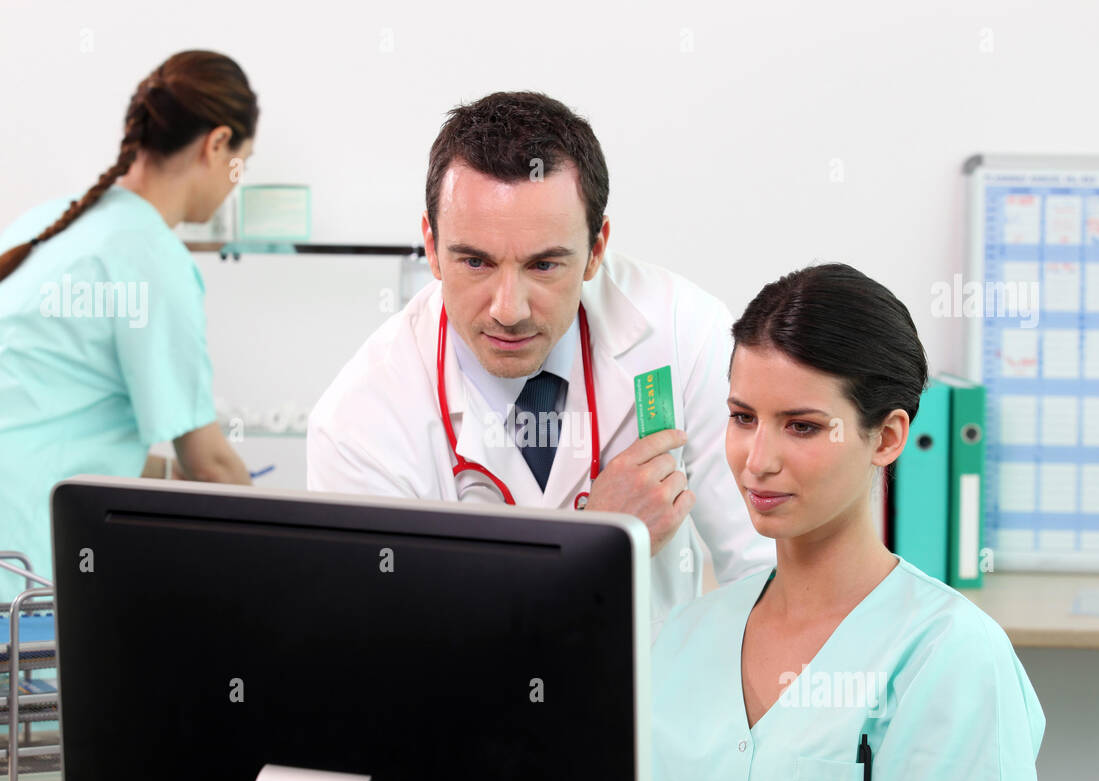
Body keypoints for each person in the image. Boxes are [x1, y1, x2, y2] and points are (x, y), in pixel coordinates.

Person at [307, 91, 773, 634]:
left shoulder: (681, 331)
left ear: (597, 248)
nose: (509, 310)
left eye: (545, 264)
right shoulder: (359, 421)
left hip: (659, 708)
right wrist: (596, 542)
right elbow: (392, 646)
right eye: (475, 261)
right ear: (431, 247)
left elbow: (764, 570)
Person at [652, 263, 1047, 781]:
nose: (757, 460)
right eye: (742, 418)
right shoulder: (680, 640)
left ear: (887, 438)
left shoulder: (950, 658)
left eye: (802, 426)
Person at [0, 50, 257, 608]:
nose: (235, 183)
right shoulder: (153, 255)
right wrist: (278, 544)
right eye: (240, 163)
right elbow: (210, 460)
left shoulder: (48, 218)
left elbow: (52, 418)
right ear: (216, 143)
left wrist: (164, 476)